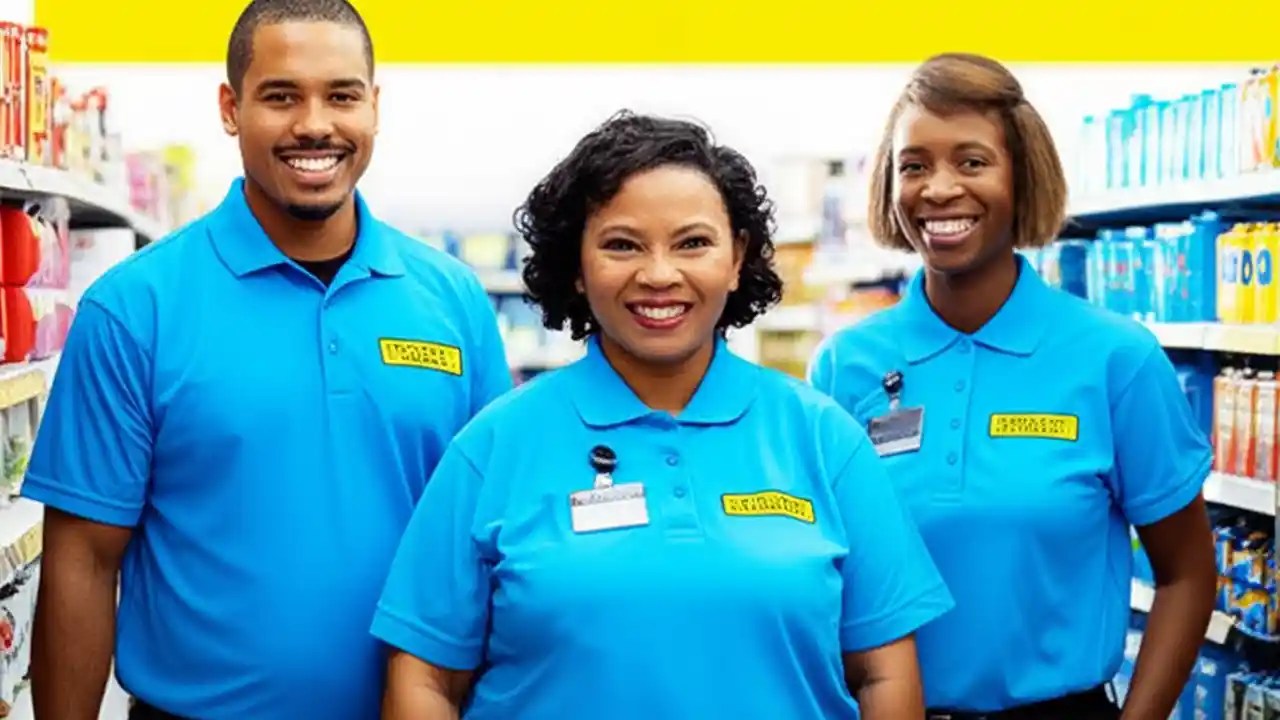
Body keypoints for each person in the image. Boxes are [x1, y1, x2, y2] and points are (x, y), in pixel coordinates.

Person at [369, 110, 955, 720]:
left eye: (692, 243)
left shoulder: (822, 438)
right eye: (622, 245)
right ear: (577, 263)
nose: (658, 274)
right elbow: (425, 679)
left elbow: (882, 671)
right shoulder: (494, 445)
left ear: (737, 259)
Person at [24, 2, 513, 719]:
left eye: (342, 96)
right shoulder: (134, 308)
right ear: (231, 107)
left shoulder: (453, 302)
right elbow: (84, 561)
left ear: (375, 107)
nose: (315, 123)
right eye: (281, 95)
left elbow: (490, 535)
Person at [808, 53, 1217, 720]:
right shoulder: (843, 366)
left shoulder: (1115, 359)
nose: (938, 189)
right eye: (914, 165)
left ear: (1022, 176)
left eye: (972, 162)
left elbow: (1186, 574)